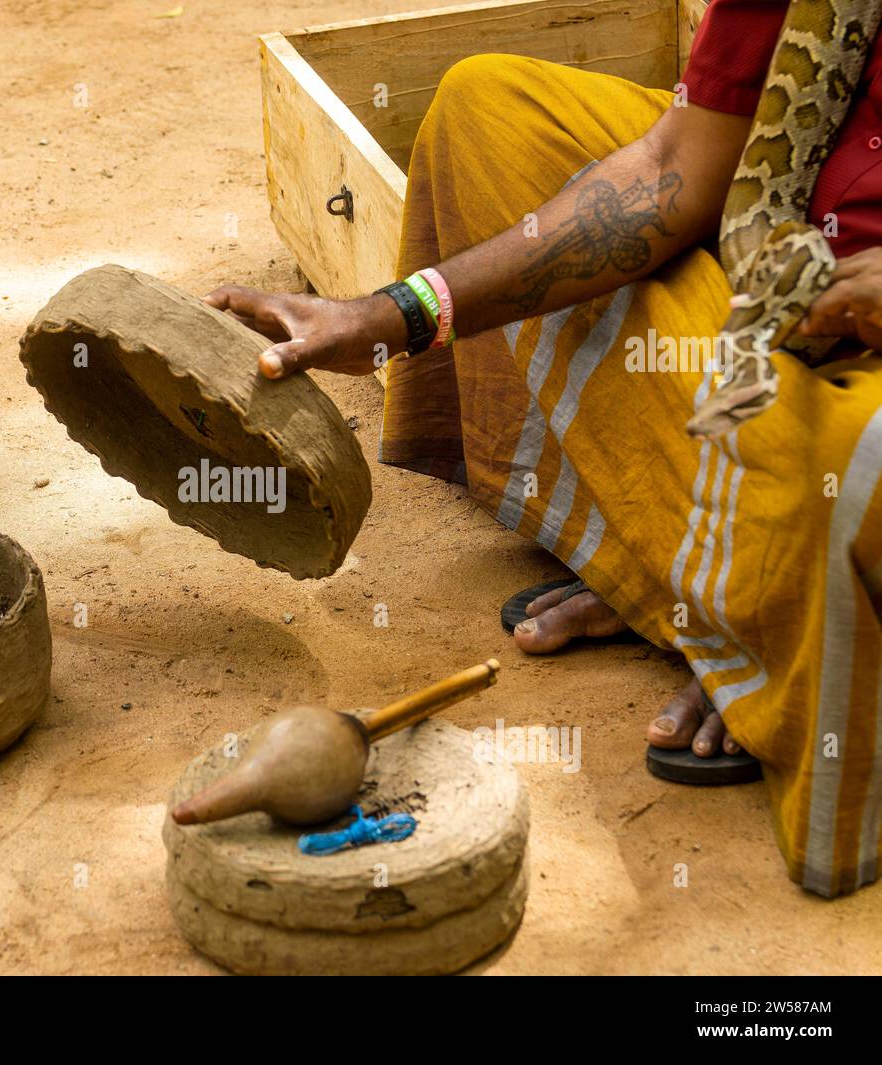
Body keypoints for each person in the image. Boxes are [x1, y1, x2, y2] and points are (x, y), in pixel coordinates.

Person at [205, 0, 882, 898]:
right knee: (487, 115)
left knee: (841, 463)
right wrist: (392, 315)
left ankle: (734, 599)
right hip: (786, 239)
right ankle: (721, 569)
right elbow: (677, 164)